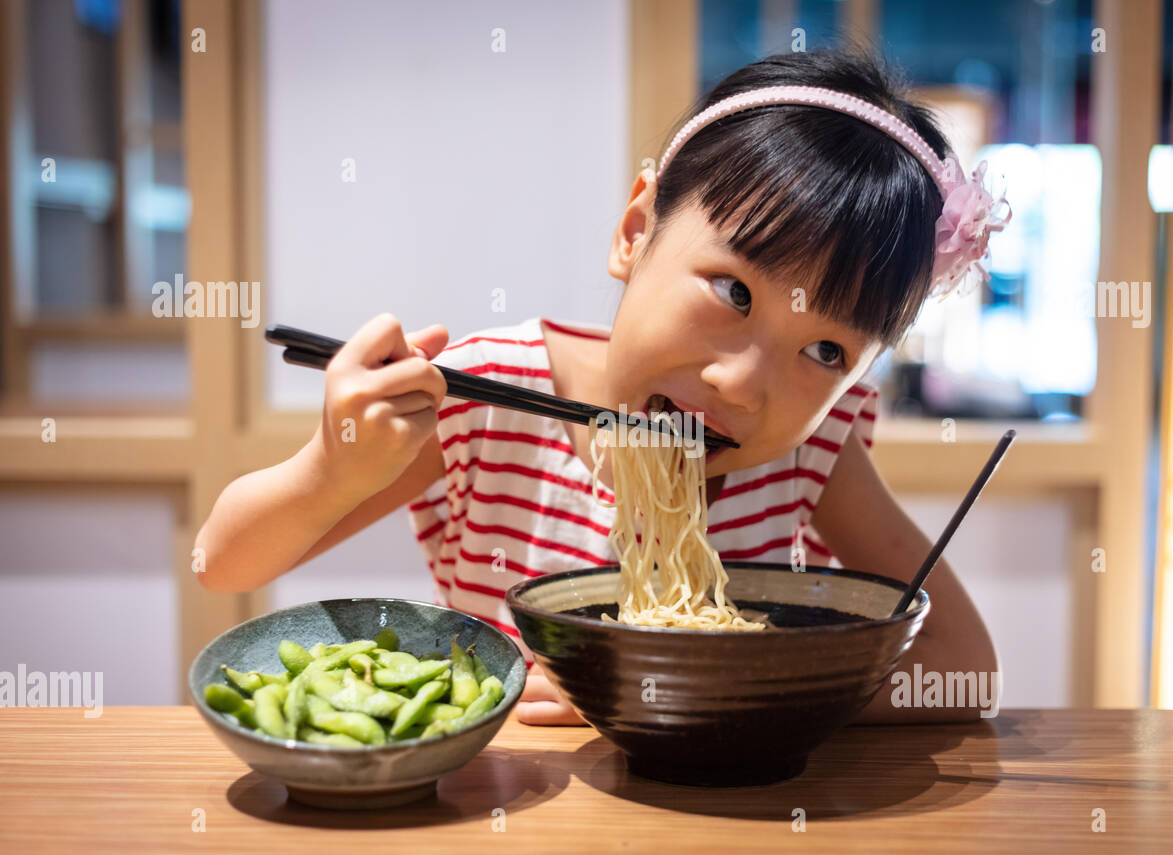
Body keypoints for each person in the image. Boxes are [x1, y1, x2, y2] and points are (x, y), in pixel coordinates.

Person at [196, 46, 1007, 726]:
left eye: (827, 351)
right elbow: (223, 562)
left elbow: (965, 671)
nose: (742, 385)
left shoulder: (812, 450)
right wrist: (333, 469)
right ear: (633, 233)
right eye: (733, 293)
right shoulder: (487, 396)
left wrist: (709, 692)